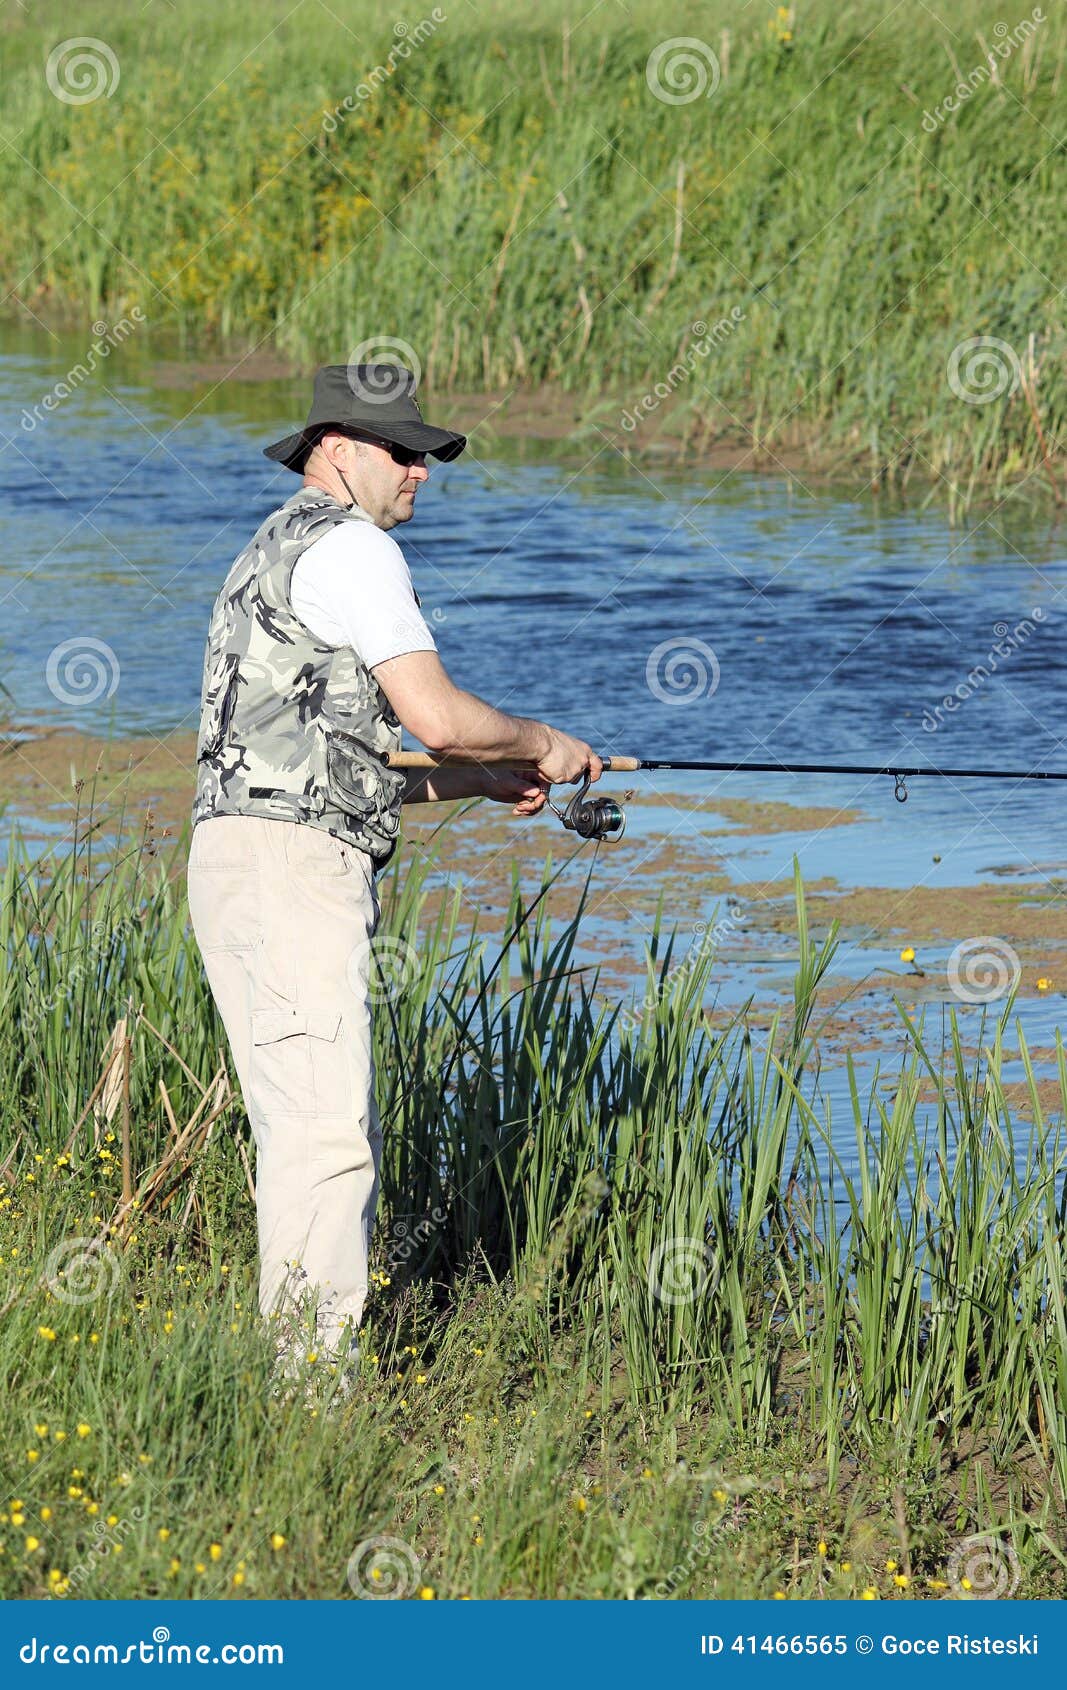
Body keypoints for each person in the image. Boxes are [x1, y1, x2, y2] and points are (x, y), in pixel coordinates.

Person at [185, 362, 601, 1393]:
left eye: (426, 453)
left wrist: (479, 781)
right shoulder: (353, 547)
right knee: (328, 1141)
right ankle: (309, 1403)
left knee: (301, 1129)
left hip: (236, 860)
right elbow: (435, 716)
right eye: (402, 450)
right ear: (334, 446)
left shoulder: (267, 548)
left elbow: (323, 766)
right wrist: (540, 740)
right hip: (293, 875)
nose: (421, 469)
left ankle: (291, 1381)